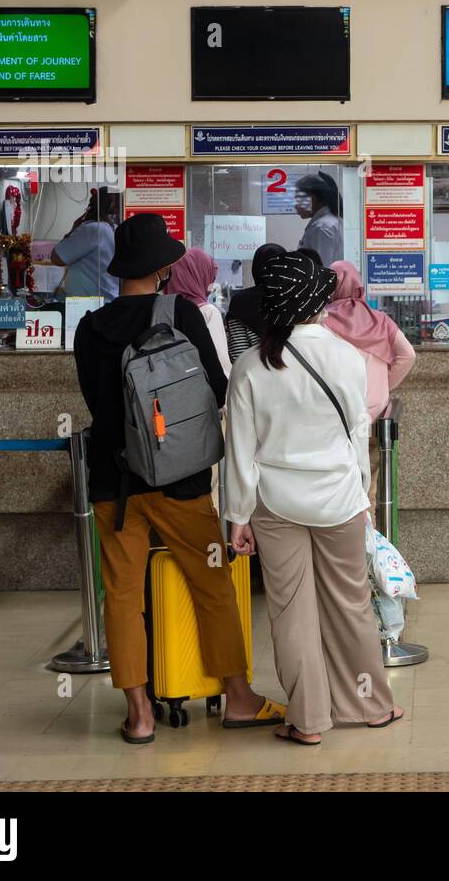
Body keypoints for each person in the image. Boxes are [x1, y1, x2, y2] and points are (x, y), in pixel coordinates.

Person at [72, 213, 287, 743]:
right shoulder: (182, 314)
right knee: (213, 584)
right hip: (181, 481)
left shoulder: (88, 328)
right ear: (164, 267)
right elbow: (218, 386)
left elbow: (97, 404)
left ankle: (140, 715)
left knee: (122, 597)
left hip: (112, 486)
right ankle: (238, 697)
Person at [222, 250, 403, 745]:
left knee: (290, 611)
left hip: (276, 504)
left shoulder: (249, 366)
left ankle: (307, 720)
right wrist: (364, 496)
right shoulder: (345, 356)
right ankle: (371, 706)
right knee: (351, 604)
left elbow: (240, 449)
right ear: (317, 300)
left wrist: (237, 516)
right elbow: (357, 434)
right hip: (339, 499)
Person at [324, 260, 417, 515]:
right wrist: (383, 386)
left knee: (337, 492)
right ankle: (369, 549)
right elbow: (408, 355)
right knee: (369, 490)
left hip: (337, 418)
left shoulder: (322, 322)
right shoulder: (381, 320)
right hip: (374, 415)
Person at [168, 247, 231, 378]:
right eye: (209, 277)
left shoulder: (162, 310)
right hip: (202, 391)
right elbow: (222, 365)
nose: (211, 285)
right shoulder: (208, 312)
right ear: (197, 275)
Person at [51, 188, 121, 300]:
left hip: (89, 303)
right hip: (106, 299)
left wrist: (73, 229)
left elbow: (56, 258)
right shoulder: (113, 229)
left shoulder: (94, 229)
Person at [224, 242, 286, 364]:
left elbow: (238, 355)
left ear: (256, 268)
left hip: (253, 376)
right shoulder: (295, 299)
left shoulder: (241, 302)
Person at [295, 171, 344, 266]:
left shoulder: (322, 227)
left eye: (298, 200)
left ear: (312, 199)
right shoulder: (331, 221)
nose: (295, 206)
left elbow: (322, 269)